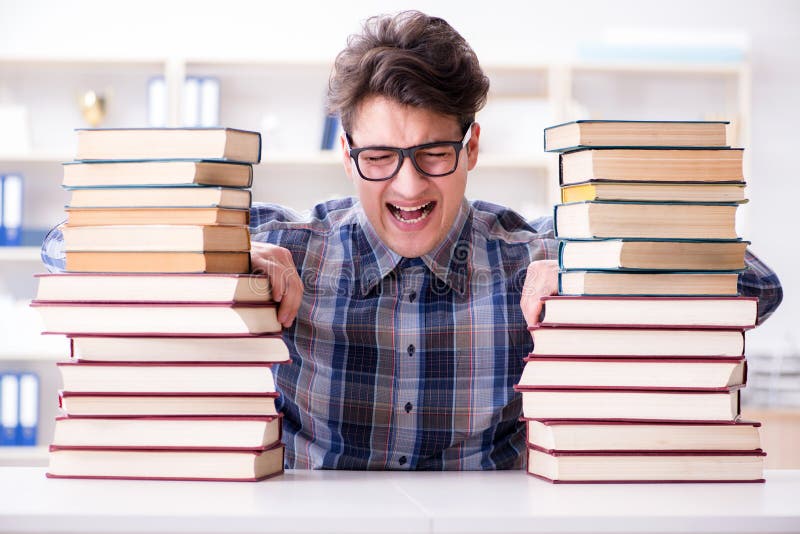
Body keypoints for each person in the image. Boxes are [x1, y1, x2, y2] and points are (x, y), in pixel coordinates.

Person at [42, 10, 782, 470]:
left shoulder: (534, 258)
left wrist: (597, 275)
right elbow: (67, 248)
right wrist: (218, 268)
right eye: (380, 157)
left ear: (472, 146)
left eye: (433, 152)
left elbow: (756, 281)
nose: (407, 186)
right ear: (345, 151)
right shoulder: (285, 254)